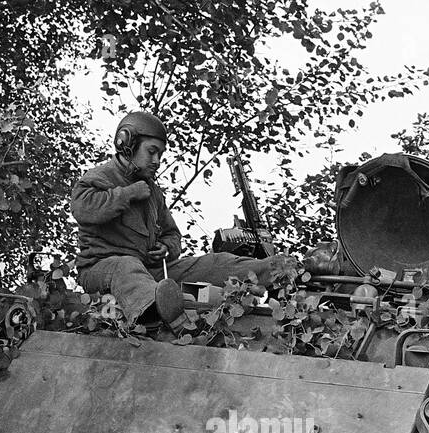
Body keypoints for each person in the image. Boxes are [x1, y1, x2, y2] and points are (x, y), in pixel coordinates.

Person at [70, 111, 284, 329]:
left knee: (211, 264)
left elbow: (172, 235)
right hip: (102, 272)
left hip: (150, 273)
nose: (157, 161)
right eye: (151, 152)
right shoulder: (99, 177)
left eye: (160, 155)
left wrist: (166, 247)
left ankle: (276, 271)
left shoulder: (153, 192)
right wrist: (128, 194)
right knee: (126, 265)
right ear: (127, 144)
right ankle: (159, 310)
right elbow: (82, 209)